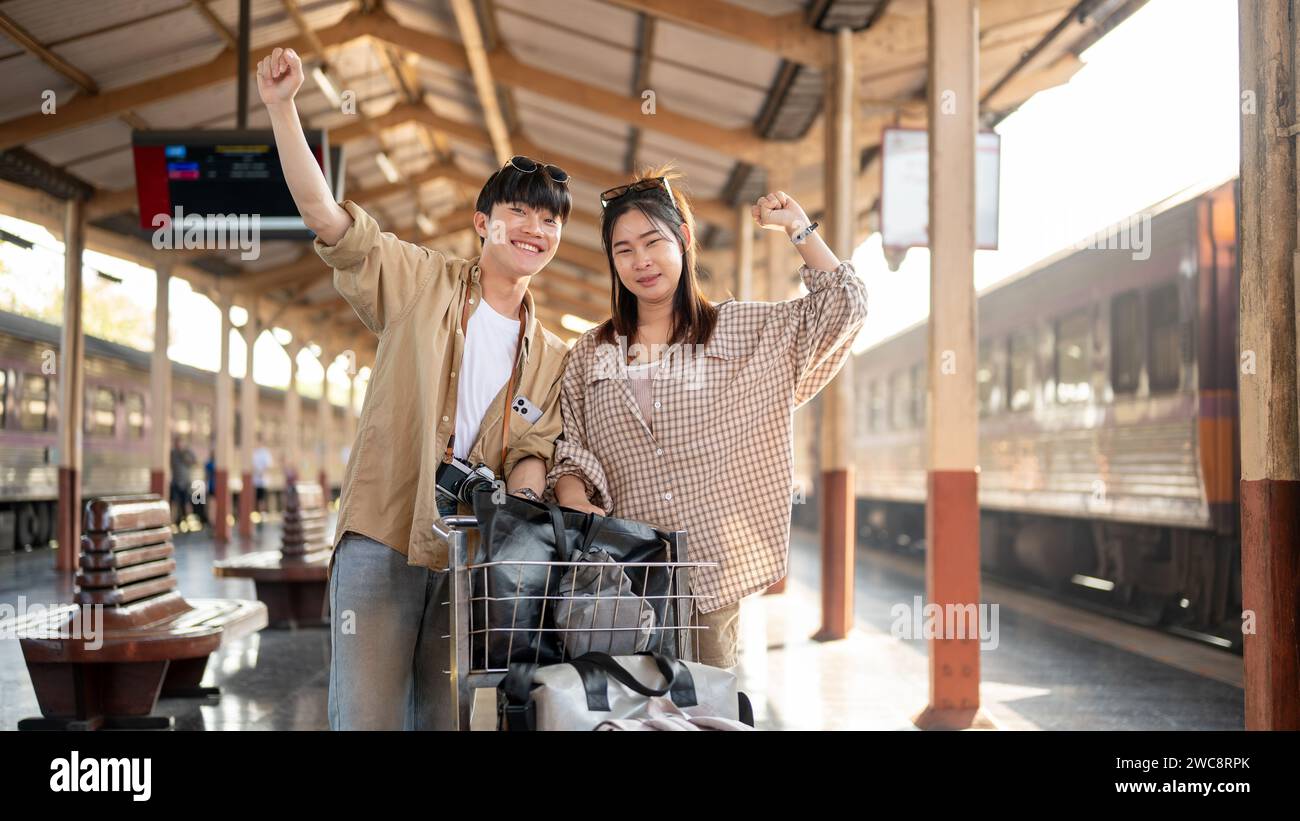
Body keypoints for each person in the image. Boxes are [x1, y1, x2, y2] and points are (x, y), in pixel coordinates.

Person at [258, 46, 572, 730]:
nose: (535, 229)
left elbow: (533, 449)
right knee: (366, 715)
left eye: (550, 221)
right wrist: (283, 108)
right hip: (384, 531)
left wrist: (517, 508)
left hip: (469, 554)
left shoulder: (550, 354)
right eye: (519, 212)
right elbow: (325, 217)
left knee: (445, 718)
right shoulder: (419, 280)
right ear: (482, 222)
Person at [547, 165, 868, 670]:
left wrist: (798, 228)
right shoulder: (592, 352)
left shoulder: (736, 330)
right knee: (621, 714)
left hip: (710, 580)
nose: (641, 261)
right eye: (623, 250)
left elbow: (843, 306)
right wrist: (573, 499)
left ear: (684, 239)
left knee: (705, 713)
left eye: (653, 242)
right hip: (621, 581)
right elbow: (571, 448)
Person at [169, 436, 195, 528]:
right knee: (174, 503)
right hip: (176, 482)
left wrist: (183, 453)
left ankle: (189, 522)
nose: (178, 444)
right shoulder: (172, 453)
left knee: (187, 503)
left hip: (186, 482)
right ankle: (171, 523)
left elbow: (193, 462)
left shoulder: (188, 452)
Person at [251, 435, 272, 517]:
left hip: (262, 480)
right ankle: (256, 515)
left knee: (261, 499)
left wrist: (261, 472)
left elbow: (268, 466)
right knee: (255, 498)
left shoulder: (265, 453)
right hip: (254, 480)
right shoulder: (254, 452)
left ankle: (262, 515)